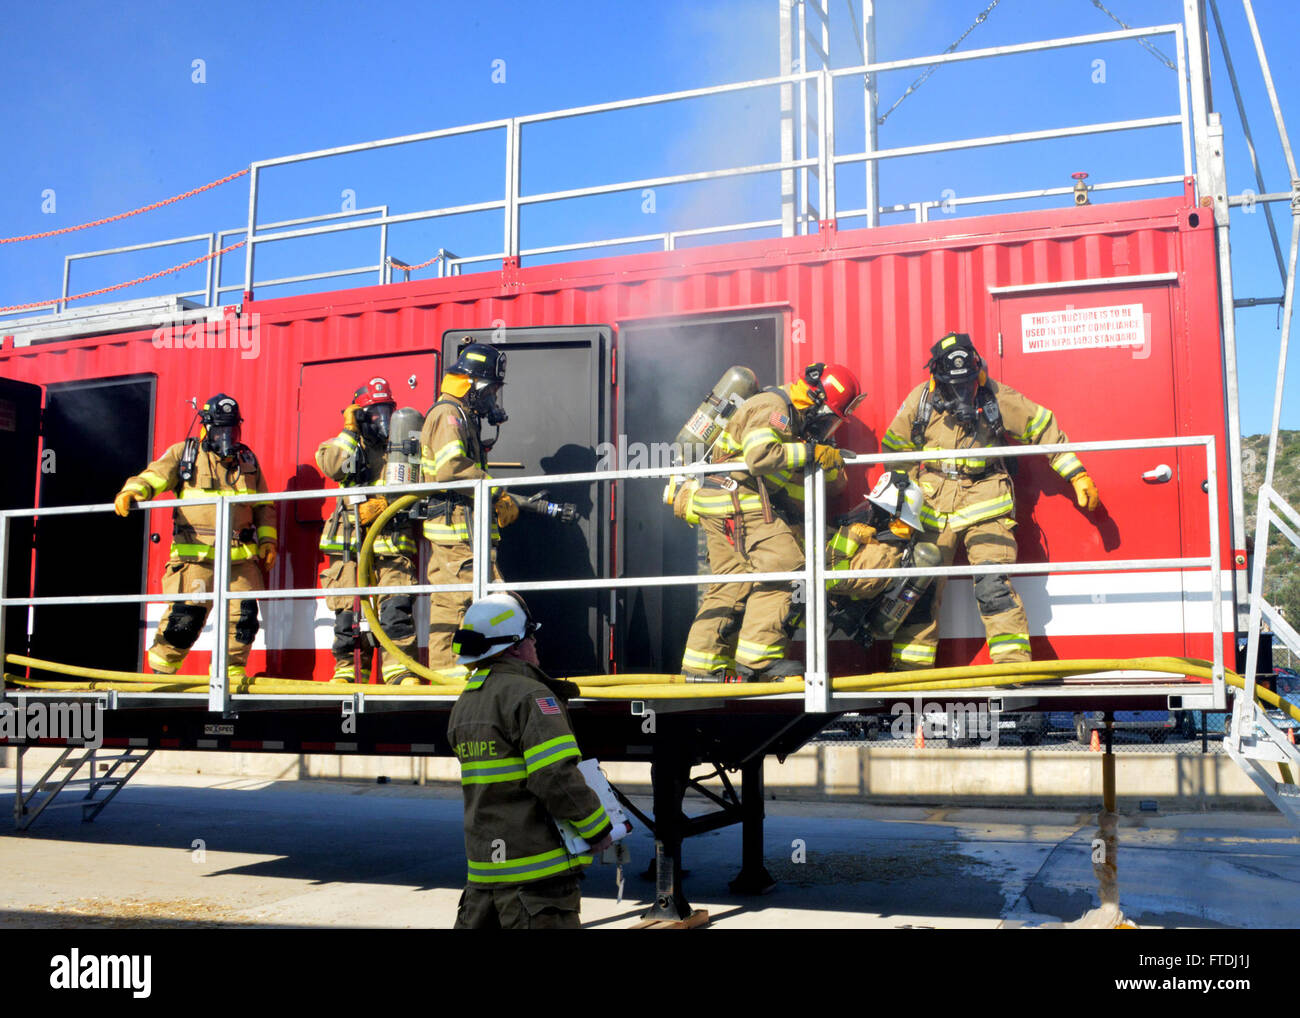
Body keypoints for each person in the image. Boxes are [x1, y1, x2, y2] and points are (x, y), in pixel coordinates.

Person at [881, 332, 1101, 669]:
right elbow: (896, 449)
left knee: (992, 583)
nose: (960, 393)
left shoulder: (996, 396)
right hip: (933, 503)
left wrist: (1075, 473)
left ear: (977, 374)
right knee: (919, 587)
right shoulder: (921, 400)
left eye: (967, 384)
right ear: (936, 378)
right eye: (952, 386)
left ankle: (1012, 665)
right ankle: (910, 672)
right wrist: (903, 502)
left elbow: (1041, 426)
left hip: (987, 501)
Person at [680, 362, 864, 681]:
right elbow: (761, 456)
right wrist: (811, 452)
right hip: (739, 500)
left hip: (720, 499)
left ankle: (701, 664)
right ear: (818, 399)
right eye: (832, 417)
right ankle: (758, 660)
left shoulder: (784, 413)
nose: (829, 426)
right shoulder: (773, 406)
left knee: (732, 581)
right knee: (786, 565)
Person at [447, 592, 613, 929]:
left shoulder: (466, 701)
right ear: (513, 646)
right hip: (535, 882)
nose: (535, 643)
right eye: (530, 635)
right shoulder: (531, 694)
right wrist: (597, 828)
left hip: (484, 879)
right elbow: (554, 775)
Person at [114, 393, 276, 679]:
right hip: (196, 559)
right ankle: (161, 676)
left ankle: (230, 676)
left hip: (241, 561)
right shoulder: (184, 454)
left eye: (232, 430)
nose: (227, 437)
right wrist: (132, 491)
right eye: (220, 430)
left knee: (244, 620)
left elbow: (263, 505)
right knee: (185, 620)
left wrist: (267, 541)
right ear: (205, 428)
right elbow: (154, 476)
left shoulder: (247, 460)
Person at [419, 342, 519, 673]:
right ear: (471, 384)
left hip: (467, 536)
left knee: (477, 603)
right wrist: (495, 491)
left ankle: (472, 676)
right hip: (455, 537)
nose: (492, 397)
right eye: (489, 389)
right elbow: (451, 468)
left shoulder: (462, 415)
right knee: (461, 606)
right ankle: (451, 684)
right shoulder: (448, 414)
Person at [315, 377, 420, 684]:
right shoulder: (346, 447)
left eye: (387, 412)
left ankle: (399, 672)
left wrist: (382, 504)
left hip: (393, 545)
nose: (382, 420)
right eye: (374, 413)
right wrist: (350, 430)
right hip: (350, 546)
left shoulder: (404, 449)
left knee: (395, 611)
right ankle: (348, 672)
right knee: (349, 615)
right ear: (360, 416)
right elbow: (333, 466)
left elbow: (418, 485)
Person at [824, 470, 939, 648]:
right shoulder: (876, 543)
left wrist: (850, 535)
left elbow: (834, 581)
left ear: (893, 517)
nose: (870, 513)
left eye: (876, 509)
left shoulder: (882, 556)